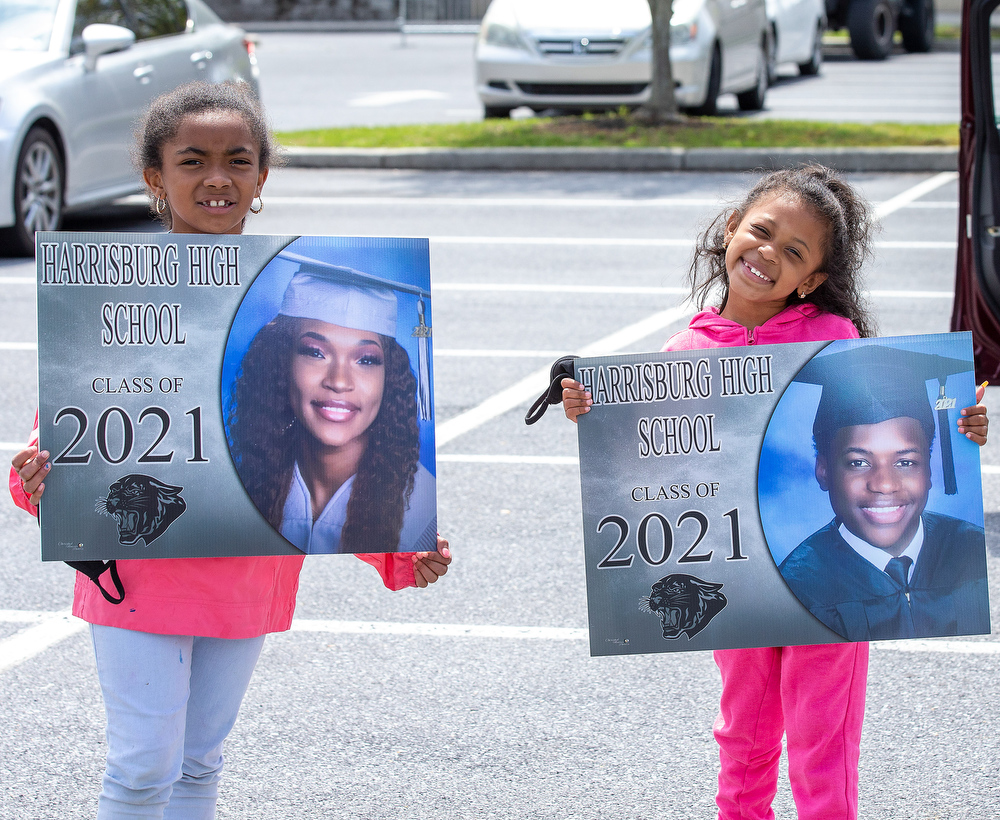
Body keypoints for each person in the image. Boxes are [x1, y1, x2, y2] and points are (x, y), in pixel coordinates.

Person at [9, 80, 452, 820]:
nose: (217, 178)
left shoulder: (287, 293)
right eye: (192, 161)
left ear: (260, 177)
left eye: (236, 160)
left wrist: (403, 550)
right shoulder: (117, 290)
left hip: (247, 569)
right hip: (137, 568)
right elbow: (67, 432)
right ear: (155, 177)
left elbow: (330, 452)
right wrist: (38, 477)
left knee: (197, 765)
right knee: (141, 768)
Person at [560, 166, 989, 820]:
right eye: (761, 232)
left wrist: (960, 423)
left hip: (837, 586)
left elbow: (896, 422)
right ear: (732, 228)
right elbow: (641, 464)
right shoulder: (681, 351)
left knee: (824, 738)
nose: (768, 254)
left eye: (794, 252)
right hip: (736, 583)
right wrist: (594, 413)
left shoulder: (834, 340)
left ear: (811, 280)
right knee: (745, 730)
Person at [778, 343, 990, 641]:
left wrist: (970, 426)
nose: (885, 483)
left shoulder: (968, 548)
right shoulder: (796, 583)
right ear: (823, 470)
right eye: (858, 462)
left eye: (905, 462)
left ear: (929, 469)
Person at [227, 263, 437, 555]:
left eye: (365, 360)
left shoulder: (421, 517)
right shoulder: (238, 486)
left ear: (389, 377)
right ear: (281, 365)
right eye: (315, 353)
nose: (339, 381)